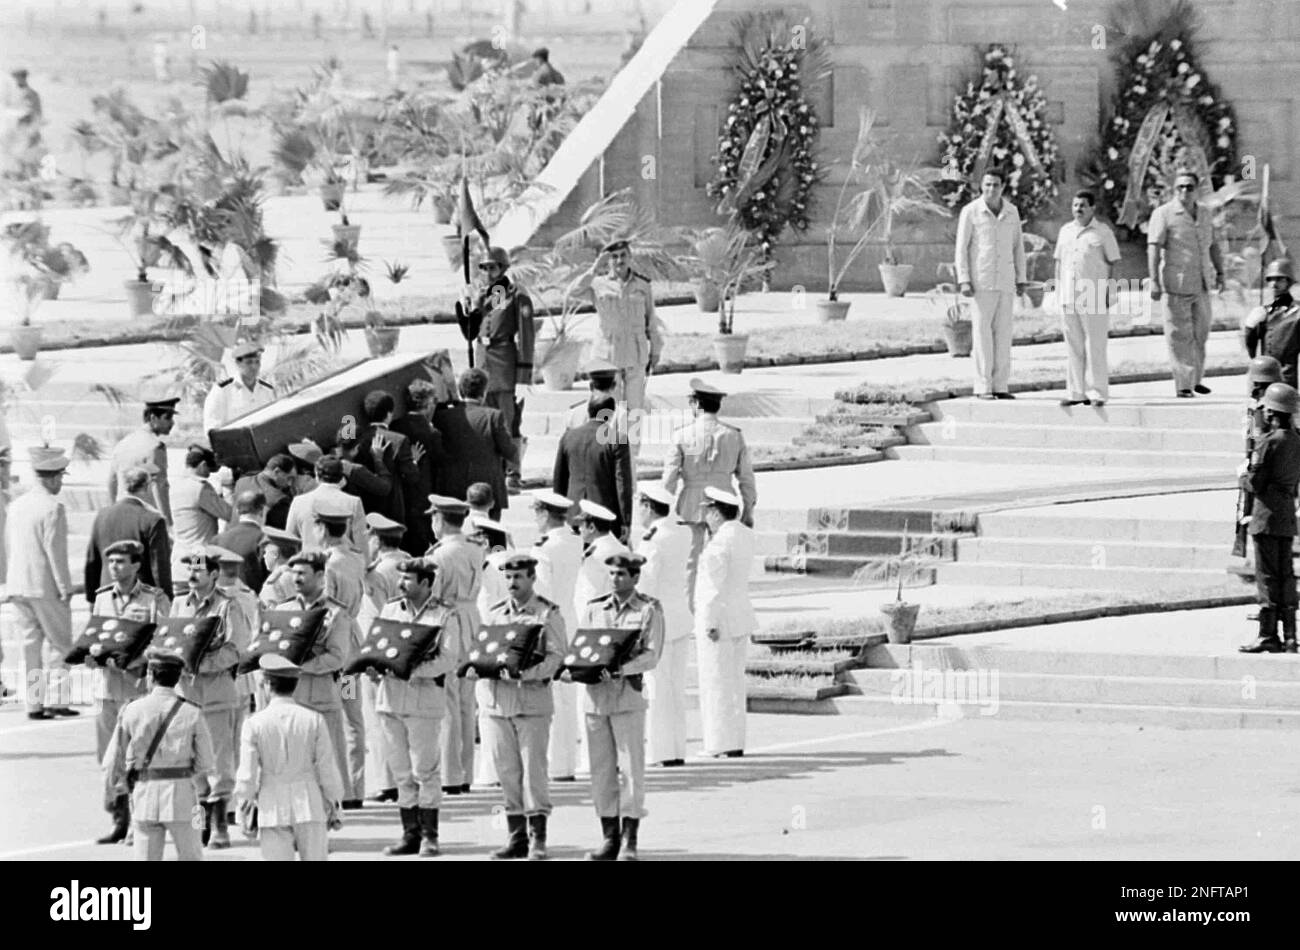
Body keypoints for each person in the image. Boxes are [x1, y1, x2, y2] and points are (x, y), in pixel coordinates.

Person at [566, 552, 664, 861]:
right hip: (596, 699)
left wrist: (621, 668)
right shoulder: (595, 609)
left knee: (631, 770)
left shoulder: (648, 609)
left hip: (627, 697)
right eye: (612, 574)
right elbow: (582, 647)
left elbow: (652, 654)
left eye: (622, 574)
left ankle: (629, 839)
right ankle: (608, 837)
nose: (616, 579)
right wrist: (575, 668)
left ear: (635, 577)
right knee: (602, 771)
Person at [475, 552, 567, 860]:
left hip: (531, 703)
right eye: (509, 577)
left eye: (519, 577)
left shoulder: (547, 614)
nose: (512, 583)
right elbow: (484, 649)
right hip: (498, 703)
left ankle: (538, 836)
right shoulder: (494, 612)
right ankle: (516, 837)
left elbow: (557, 657)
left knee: (534, 773)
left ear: (531, 578)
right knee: (507, 772)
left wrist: (528, 674)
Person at [372, 557, 464, 856]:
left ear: (425, 583)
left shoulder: (444, 615)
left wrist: (410, 670)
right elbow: (378, 647)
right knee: (401, 772)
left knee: (425, 770)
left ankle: (430, 835)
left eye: (408, 579)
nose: (401, 584)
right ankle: (409, 834)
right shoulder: (390, 609)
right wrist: (375, 667)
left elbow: (448, 659)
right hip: (390, 700)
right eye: (401, 578)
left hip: (423, 700)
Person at [87, 539, 171, 845]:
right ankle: (119, 819)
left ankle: (141, 821)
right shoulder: (102, 598)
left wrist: (135, 660)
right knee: (110, 758)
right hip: (107, 688)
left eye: (121, 562)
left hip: (137, 687)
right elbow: (94, 635)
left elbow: (164, 640)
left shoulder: (153, 599)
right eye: (111, 563)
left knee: (140, 757)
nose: (114, 568)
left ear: (137, 565)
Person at [102, 647, 215, 862]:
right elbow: (205, 762)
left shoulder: (131, 710)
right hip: (183, 796)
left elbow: (113, 760)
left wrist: (113, 791)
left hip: (145, 794)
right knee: (192, 857)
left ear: (150, 676)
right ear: (178, 678)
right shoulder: (192, 712)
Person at [171, 546, 250, 850]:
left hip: (216, 694)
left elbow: (235, 649)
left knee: (218, 764)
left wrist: (201, 665)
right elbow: (169, 639)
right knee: (190, 765)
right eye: (189, 569)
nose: (192, 574)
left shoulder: (228, 607)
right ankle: (197, 827)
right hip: (186, 697)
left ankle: (220, 827)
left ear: (215, 574)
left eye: (198, 569)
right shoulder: (179, 604)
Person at [271, 550, 357, 818]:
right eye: (293, 572)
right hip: (292, 694)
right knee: (289, 758)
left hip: (332, 684)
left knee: (330, 752)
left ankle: (335, 806)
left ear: (320, 576)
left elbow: (338, 656)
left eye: (302, 573)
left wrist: (299, 666)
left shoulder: (336, 610)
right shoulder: (284, 608)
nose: (296, 578)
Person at [234, 653, 345, 862]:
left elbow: (247, 774)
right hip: (310, 803)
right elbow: (327, 768)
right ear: (296, 684)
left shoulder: (254, 723)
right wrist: (335, 804)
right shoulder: (314, 719)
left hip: (271, 805)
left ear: (266, 684)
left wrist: (243, 807)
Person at [662, 378, 757, 597]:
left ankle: (690, 608)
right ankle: (718, 605)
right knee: (722, 559)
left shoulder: (682, 435)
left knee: (690, 562)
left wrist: (663, 510)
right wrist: (748, 508)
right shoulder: (734, 435)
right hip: (724, 502)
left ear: (696, 404)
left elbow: (669, 477)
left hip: (691, 502)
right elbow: (746, 478)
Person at [6, 446, 76, 720]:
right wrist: (64, 587)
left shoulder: (16, 506)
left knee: (30, 647)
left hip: (19, 584)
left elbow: (10, 546)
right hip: (45, 585)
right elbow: (55, 552)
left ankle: (34, 705)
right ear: (53, 477)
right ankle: (58, 700)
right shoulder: (53, 508)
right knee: (61, 645)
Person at [461, 247, 534, 494]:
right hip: (484, 362)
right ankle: (494, 468)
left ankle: (513, 472)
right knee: (485, 419)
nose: (488, 273)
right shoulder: (481, 296)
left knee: (508, 420)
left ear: (503, 269)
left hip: (505, 363)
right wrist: (467, 308)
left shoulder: (516, 295)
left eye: (493, 267)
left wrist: (524, 375)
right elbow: (471, 332)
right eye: (484, 268)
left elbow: (526, 337)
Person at [1148, 167, 1225, 398]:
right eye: (1179, 187)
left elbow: (1213, 245)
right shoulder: (1164, 214)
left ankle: (1195, 379)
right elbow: (1153, 247)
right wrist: (1153, 281)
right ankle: (1183, 384)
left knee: (1201, 333)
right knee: (1179, 335)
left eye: (1189, 187)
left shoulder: (1204, 214)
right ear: (1174, 190)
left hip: (1201, 282)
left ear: (1197, 190)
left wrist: (1221, 273)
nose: (1184, 191)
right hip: (1176, 285)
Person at [425, 495, 483, 795]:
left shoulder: (438, 556)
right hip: (472, 619)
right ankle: (465, 772)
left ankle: (451, 774)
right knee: (465, 700)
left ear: (440, 519)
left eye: (433, 518)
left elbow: (431, 594)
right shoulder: (475, 549)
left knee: (447, 699)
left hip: (448, 620)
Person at [693, 487, 756, 757]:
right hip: (740, 616)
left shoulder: (719, 544)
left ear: (716, 512)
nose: (706, 516)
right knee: (734, 683)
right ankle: (735, 741)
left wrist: (709, 622)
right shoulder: (744, 535)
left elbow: (711, 590)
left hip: (720, 621)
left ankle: (718, 742)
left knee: (715, 682)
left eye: (708, 511)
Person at [955, 168, 1028, 400]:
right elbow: (961, 249)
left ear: (1003, 187)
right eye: (987, 185)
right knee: (982, 333)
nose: (991, 189)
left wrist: (1021, 278)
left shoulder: (1012, 212)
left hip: (1005, 280)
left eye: (996, 185)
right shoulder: (971, 212)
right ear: (981, 186)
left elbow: (1018, 248)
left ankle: (1000, 385)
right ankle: (982, 386)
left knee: (1004, 334)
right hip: (981, 281)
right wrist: (964, 279)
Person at [568, 238, 663, 415]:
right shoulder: (597, 284)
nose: (620, 261)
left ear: (630, 257)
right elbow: (571, 292)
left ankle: (631, 444)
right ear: (608, 260)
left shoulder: (642, 285)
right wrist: (594, 268)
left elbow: (651, 319)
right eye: (614, 257)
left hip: (635, 354)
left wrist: (656, 349)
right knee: (610, 409)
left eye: (623, 255)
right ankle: (611, 443)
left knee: (634, 410)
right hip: (607, 355)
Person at [634, 485, 693, 767]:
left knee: (657, 687)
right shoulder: (681, 532)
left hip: (658, 620)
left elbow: (645, 584)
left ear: (647, 506)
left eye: (639, 505)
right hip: (679, 615)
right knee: (675, 687)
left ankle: (660, 751)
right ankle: (676, 748)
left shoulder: (652, 540)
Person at [1239, 383, 1300, 653]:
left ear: (1272, 411)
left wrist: (1245, 474)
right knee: (1285, 574)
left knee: (1266, 577)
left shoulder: (1268, 441)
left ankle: (1267, 634)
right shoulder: (1297, 439)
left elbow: (1255, 482)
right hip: (1286, 514)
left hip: (1265, 515)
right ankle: (1290, 634)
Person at [316, 501, 368, 809]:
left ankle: (341, 787)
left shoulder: (328, 564)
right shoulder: (355, 559)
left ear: (322, 528)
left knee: (335, 714)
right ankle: (355, 787)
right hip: (352, 643)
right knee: (352, 716)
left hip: (335, 641)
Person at [530, 489, 582, 781]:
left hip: (551, 623)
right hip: (571, 618)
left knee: (552, 695)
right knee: (568, 694)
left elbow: (542, 593)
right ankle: (567, 762)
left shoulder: (543, 548)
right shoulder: (575, 541)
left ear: (544, 514)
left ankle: (557, 763)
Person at [1054, 190, 1121, 407]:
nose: (1078, 209)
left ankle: (1098, 393)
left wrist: (1109, 294)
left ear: (1092, 208)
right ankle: (1076, 392)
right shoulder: (1065, 231)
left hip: (1094, 296)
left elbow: (1113, 263)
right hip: (1069, 296)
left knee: (1095, 346)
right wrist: (1057, 293)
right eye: (1075, 205)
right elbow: (1059, 263)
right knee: (1073, 346)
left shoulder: (1102, 232)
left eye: (1083, 205)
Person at [358, 513, 408, 802]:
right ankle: (397, 777)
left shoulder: (377, 574)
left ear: (377, 538)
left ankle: (387, 781)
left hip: (373, 653)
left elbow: (377, 616)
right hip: (401, 648)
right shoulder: (407, 564)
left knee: (374, 718)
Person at [432, 369, 517, 519]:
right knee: (494, 536)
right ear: (484, 392)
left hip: (453, 488)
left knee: (457, 533)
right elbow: (510, 452)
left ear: (460, 390)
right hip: (488, 489)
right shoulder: (493, 416)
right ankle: (497, 545)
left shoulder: (442, 416)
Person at [554, 393, 635, 540]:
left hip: (573, 513)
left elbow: (559, 479)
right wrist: (626, 520)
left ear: (588, 411)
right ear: (610, 415)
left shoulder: (569, 436)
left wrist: (556, 514)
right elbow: (622, 483)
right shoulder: (617, 439)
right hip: (604, 515)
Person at [85, 463, 171, 597]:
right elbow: (159, 567)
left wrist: (91, 596)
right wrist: (166, 598)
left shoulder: (102, 515)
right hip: (140, 597)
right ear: (147, 487)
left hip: (107, 594)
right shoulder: (153, 519)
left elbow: (93, 559)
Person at [391, 379, 446, 555]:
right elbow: (441, 461)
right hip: (422, 493)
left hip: (398, 494)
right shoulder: (431, 433)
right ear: (428, 403)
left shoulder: (396, 426)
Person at [108, 393, 179, 527]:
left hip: (121, 517)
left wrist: (114, 511)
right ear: (153, 418)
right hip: (145, 521)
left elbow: (112, 482)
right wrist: (167, 524)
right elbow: (160, 487)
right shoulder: (155, 446)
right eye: (167, 417)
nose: (172, 422)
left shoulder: (123, 444)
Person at [358, 389, 422, 526]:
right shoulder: (399, 440)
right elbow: (411, 477)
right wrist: (414, 460)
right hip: (392, 507)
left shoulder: (358, 439)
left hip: (366, 506)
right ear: (388, 414)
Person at [171, 445, 233, 583]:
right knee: (200, 590)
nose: (210, 474)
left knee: (183, 598)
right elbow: (229, 514)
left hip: (179, 556)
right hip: (198, 556)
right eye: (209, 470)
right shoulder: (200, 488)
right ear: (203, 465)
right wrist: (229, 489)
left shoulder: (175, 485)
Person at [285, 456, 366, 553]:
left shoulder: (298, 501)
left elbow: (289, 539)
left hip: (308, 563)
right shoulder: (354, 502)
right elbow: (361, 543)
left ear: (316, 475)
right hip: (341, 563)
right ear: (341, 478)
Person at [1243, 259, 1300, 388]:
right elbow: (1250, 344)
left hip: (1290, 370)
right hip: (1266, 370)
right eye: (1270, 279)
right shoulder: (1262, 312)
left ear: (1289, 281)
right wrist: (1250, 326)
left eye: (1279, 279)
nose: (1274, 284)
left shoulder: (1297, 312)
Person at [202, 341, 275, 437]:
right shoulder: (222, 391)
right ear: (238, 363)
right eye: (249, 362)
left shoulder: (267, 391)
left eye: (257, 362)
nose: (254, 367)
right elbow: (212, 428)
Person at [565, 357, 632, 448]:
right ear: (614, 386)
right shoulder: (622, 415)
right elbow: (623, 452)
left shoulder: (573, 413)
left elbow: (567, 447)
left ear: (591, 386)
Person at [213, 490, 268, 592]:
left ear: (237, 511)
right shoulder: (264, 538)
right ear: (261, 510)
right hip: (250, 601)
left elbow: (198, 559)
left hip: (219, 599)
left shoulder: (217, 539)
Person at [234, 454, 294, 530]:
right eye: (288, 478)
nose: (289, 483)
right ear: (277, 471)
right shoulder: (279, 499)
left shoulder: (241, 482)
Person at [257, 526, 303, 608]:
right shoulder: (292, 574)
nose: (264, 556)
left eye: (265, 552)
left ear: (275, 554)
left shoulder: (281, 578)